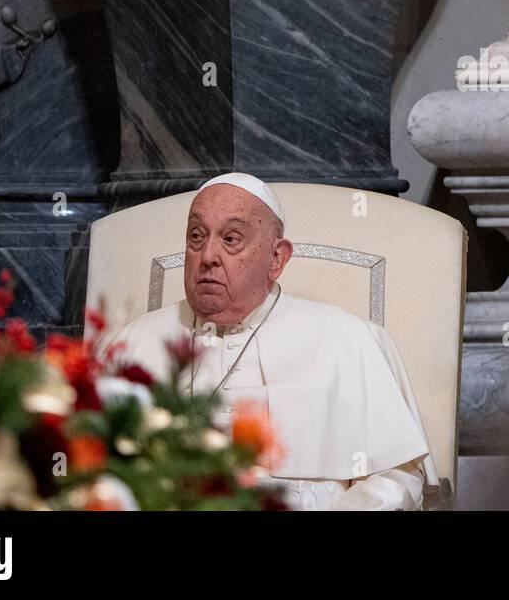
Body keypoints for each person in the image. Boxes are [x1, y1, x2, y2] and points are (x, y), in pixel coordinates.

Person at [113, 172, 437, 510]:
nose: (208, 255)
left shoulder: (345, 338)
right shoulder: (136, 342)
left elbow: (395, 479)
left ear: (276, 258)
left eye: (231, 239)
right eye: (196, 236)